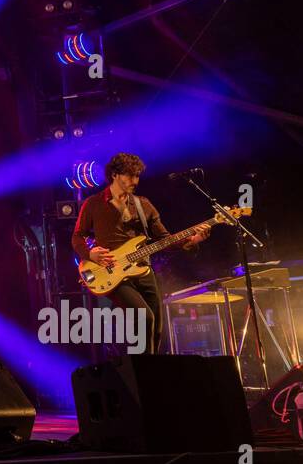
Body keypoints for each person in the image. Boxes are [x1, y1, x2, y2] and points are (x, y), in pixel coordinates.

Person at [71, 152, 209, 354]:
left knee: (157, 328)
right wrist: (90, 254)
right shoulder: (93, 204)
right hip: (112, 272)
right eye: (130, 175)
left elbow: (165, 239)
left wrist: (191, 240)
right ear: (116, 175)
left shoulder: (142, 204)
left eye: (137, 176)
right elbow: (77, 236)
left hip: (143, 270)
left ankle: (149, 375)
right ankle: (143, 375)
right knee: (145, 317)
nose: (135, 181)